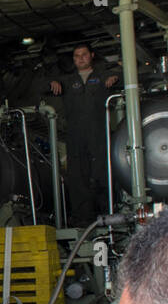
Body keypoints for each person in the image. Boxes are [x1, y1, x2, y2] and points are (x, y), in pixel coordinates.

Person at [49, 44, 120, 225]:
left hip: (99, 133)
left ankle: (109, 214)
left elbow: (126, 75)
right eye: (76, 56)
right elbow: (43, 86)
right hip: (75, 135)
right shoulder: (66, 80)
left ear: (92, 56)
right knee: (78, 176)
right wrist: (53, 83)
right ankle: (83, 219)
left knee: (103, 173)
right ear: (73, 59)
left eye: (84, 55)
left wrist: (114, 78)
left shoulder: (102, 76)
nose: (80, 58)